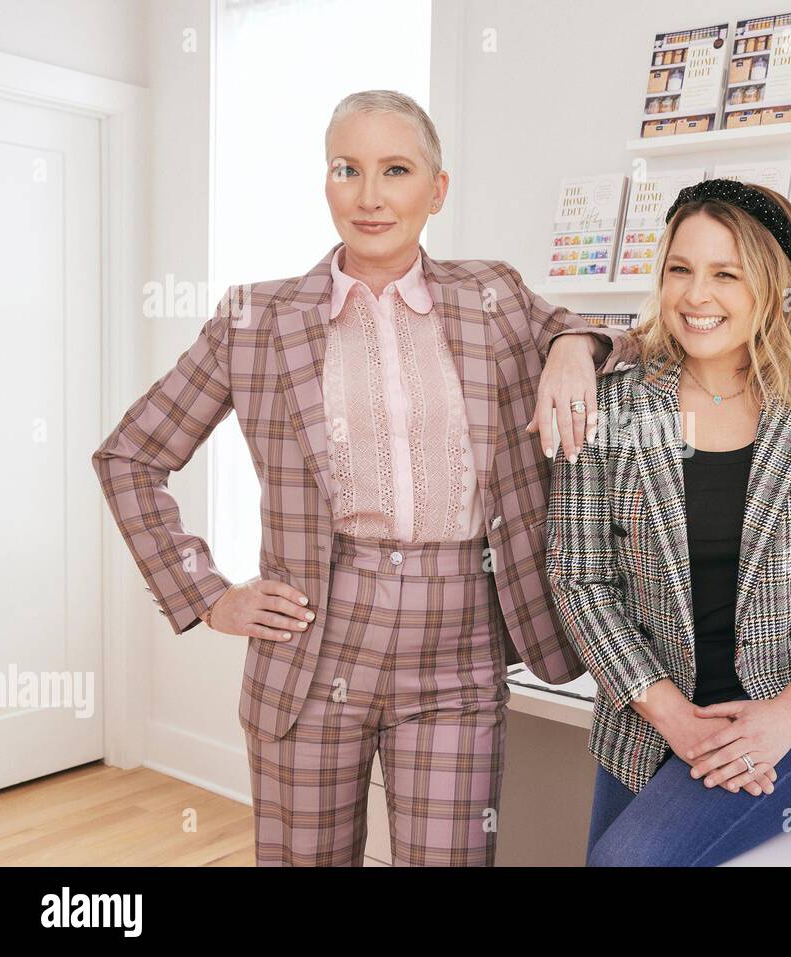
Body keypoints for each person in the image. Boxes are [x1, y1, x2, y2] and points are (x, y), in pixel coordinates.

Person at [92, 89, 638, 866]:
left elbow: (622, 335)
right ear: (326, 182)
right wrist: (207, 595)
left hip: (459, 648)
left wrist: (573, 347)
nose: (371, 195)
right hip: (312, 646)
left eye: (396, 169)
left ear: (437, 188)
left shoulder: (495, 296)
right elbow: (131, 455)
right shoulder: (254, 318)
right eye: (348, 169)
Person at [545, 180, 791, 866]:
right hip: (650, 718)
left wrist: (787, 713)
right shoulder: (613, 403)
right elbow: (579, 578)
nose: (695, 295)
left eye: (725, 274)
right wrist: (672, 715)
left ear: (771, 285)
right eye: (680, 269)